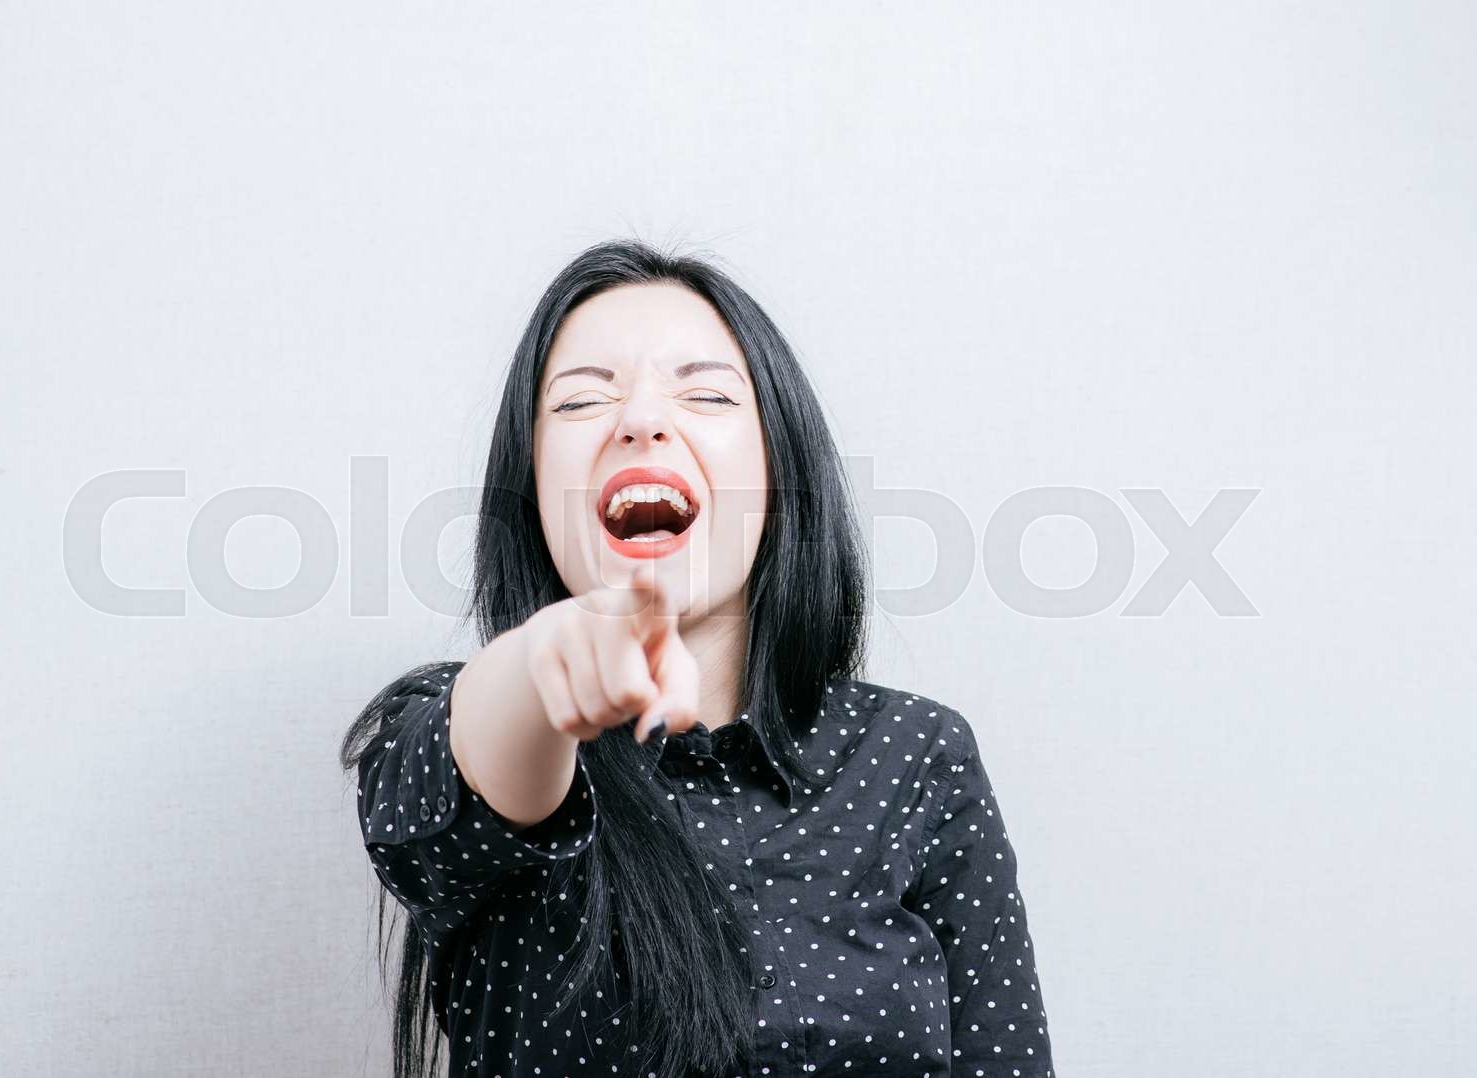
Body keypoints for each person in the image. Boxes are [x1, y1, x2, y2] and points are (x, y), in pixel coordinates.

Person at [340, 239, 1056, 1078]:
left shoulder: (918, 756)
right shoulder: (449, 736)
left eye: (707, 394)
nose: (641, 420)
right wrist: (552, 658)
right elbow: (489, 743)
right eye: (580, 401)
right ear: (531, 489)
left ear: (779, 466)